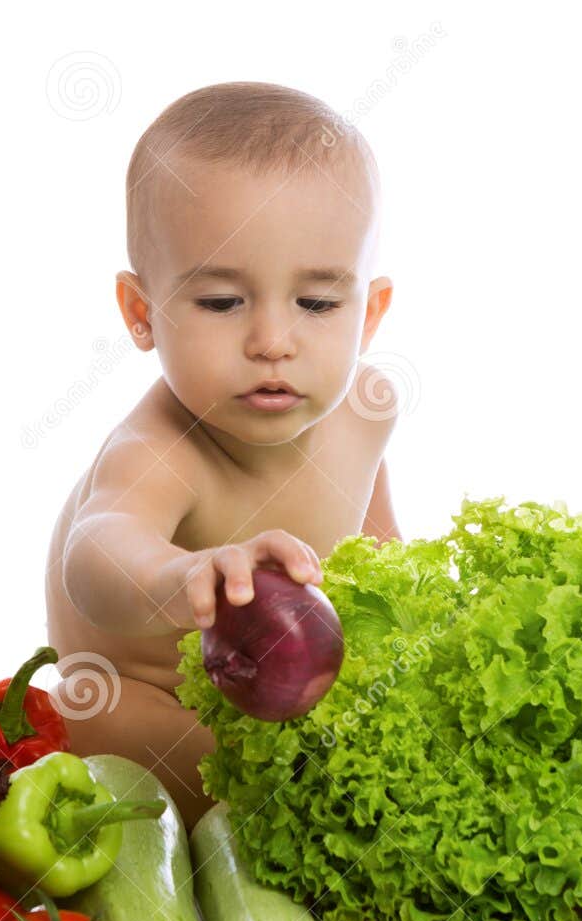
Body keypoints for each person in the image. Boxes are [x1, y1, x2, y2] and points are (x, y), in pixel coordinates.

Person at [45, 81, 402, 826]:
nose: (272, 340)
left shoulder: (366, 411)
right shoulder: (162, 447)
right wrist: (186, 576)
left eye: (316, 303)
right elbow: (96, 554)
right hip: (145, 696)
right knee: (246, 792)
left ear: (368, 313)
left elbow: (381, 547)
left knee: (371, 759)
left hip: (287, 683)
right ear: (142, 314)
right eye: (220, 302)